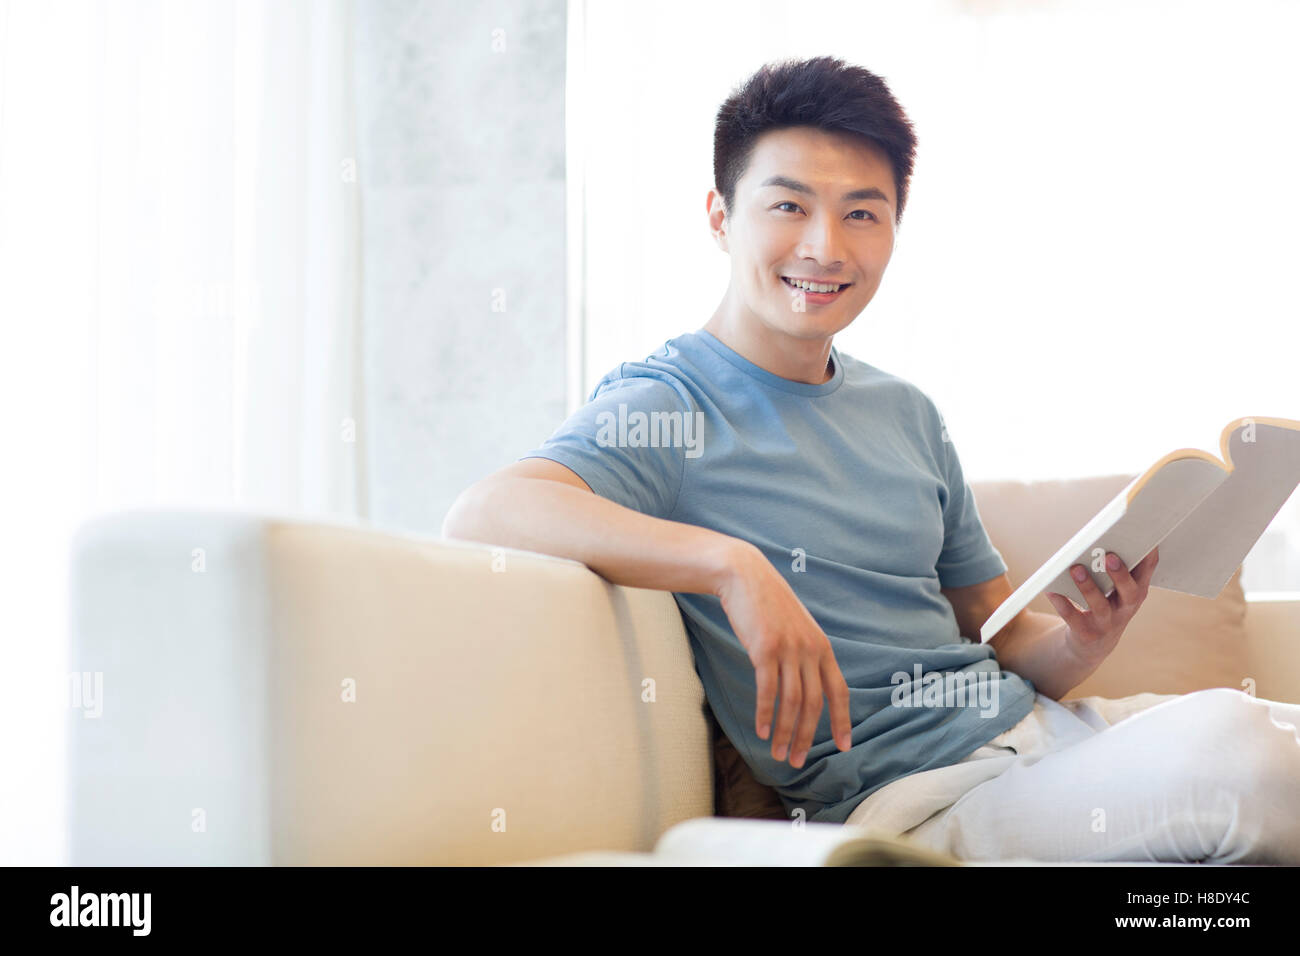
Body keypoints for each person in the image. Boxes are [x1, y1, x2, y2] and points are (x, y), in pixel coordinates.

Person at [441, 55, 1300, 863]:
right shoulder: (670, 401)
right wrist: (732, 565)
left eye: (862, 212)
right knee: (1249, 758)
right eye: (788, 206)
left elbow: (997, 634)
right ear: (719, 217)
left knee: (1273, 739)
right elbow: (486, 510)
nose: (826, 247)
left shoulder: (906, 412)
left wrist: (1085, 638)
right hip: (925, 798)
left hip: (1055, 737)